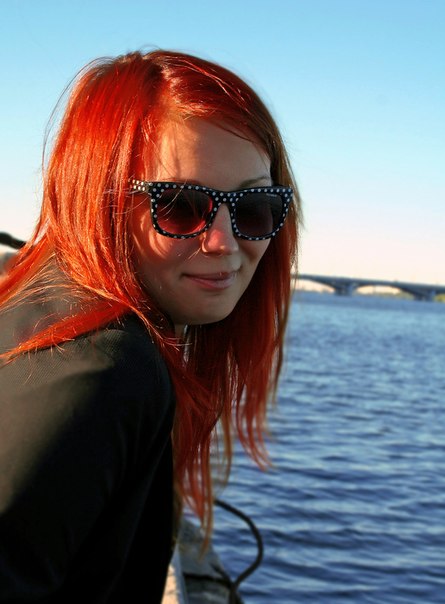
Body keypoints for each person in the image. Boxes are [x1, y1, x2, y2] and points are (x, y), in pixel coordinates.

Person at [0, 49, 300, 602]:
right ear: (101, 201)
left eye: (254, 207)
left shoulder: (38, 300)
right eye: (181, 205)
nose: (224, 242)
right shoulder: (106, 368)